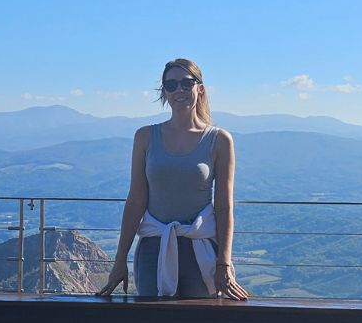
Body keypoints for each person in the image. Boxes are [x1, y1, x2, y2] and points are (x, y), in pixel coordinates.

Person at [98, 58, 249, 300]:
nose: (179, 90)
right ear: (164, 93)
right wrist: (119, 261)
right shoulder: (145, 137)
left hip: (200, 250)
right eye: (171, 85)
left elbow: (224, 206)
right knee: (153, 321)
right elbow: (136, 201)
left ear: (200, 88)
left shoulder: (219, 140)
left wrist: (224, 263)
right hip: (153, 249)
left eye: (186, 83)